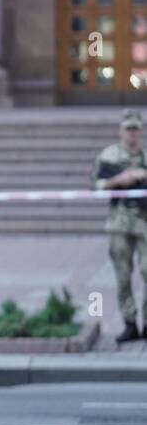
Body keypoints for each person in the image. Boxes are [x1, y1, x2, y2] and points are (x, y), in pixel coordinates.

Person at [92, 109, 147, 343]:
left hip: (144, 221)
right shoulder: (109, 156)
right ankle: (129, 323)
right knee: (123, 276)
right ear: (121, 131)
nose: (132, 134)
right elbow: (96, 185)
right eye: (128, 129)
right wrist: (120, 180)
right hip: (119, 222)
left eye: (136, 129)